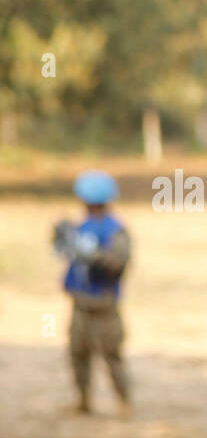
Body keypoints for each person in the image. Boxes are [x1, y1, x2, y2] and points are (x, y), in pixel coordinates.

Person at [59, 171, 132, 417]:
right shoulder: (81, 227)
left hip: (104, 303)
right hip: (80, 302)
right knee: (78, 353)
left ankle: (124, 402)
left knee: (111, 353)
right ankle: (83, 400)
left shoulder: (115, 230)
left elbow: (120, 262)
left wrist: (95, 256)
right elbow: (67, 255)